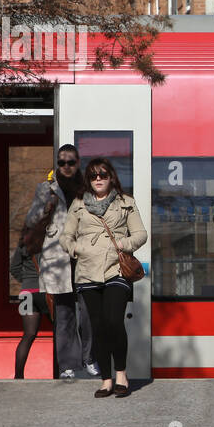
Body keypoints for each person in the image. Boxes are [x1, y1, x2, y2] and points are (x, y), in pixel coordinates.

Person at [61, 157, 147, 398]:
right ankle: (106, 379)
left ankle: (121, 374)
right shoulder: (78, 204)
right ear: (88, 180)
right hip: (87, 271)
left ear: (111, 178)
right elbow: (65, 235)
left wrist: (121, 243)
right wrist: (75, 249)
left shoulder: (125, 202)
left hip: (115, 268)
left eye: (103, 175)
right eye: (93, 176)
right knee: (97, 327)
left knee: (113, 321)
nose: (98, 179)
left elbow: (141, 234)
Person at [24, 144, 97, 379]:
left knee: (88, 312)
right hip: (58, 259)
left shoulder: (87, 189)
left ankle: (89, 358)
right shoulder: (45, 188)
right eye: (62, 162)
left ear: (77, 163)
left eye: (70, 162)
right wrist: (45, 209)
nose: (66, 166)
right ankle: (68, 364)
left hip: (83, 255)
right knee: (64, 314)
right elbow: (31, 219)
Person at [9, 239, 48, 379]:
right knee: (60, 331)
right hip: (47, 291)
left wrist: (26, 281)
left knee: (28, 335)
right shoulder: (51, 241)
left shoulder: (24, 243)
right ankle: (65, 371)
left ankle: (18, 375)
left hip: (26, 292)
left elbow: (14, 268)